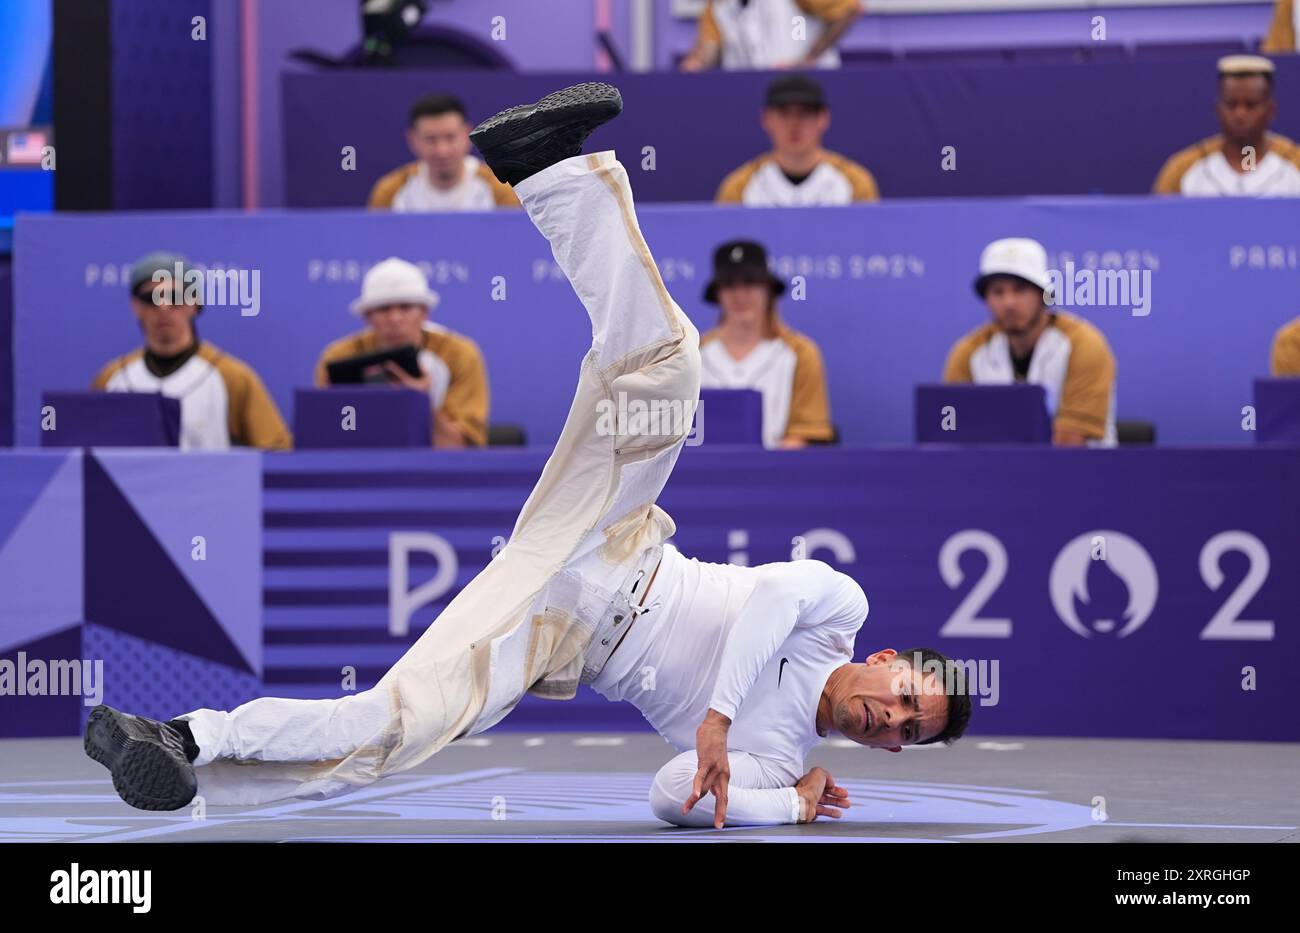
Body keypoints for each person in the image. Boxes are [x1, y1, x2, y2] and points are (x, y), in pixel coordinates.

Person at [84, 83, 971, 828]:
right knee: (669, 364)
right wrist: (718, 716)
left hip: (554, 633)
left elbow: (671, 799)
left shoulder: (779, 756)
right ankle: (549, 167)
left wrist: (791, 805)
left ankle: (180, 740)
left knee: (389, 728)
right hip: (616, 534)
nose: (889, 717)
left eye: (906, 732)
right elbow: (774, 594)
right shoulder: (838, 611)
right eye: (906, 695)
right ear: (891, 654)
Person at [92, 252, 291, 451]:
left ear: (195, 304)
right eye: (151, 298)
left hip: (211, 482)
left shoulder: (232, 377)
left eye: (175, 297)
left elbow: (277, 451)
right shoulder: (112, 378)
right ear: (135, 306)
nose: (163, 307)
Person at [944, 238, 1118, 447]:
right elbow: (948, 432)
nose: (1008, 303)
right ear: (987, 299)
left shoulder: (1084, 344)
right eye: (998, 292)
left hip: (1083, 475)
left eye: (1020, 290)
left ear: (1043, 295)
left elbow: (1070, 444)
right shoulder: (967, 352)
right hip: (994, 475)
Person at [315, 257, 489, 448]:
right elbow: (327, 441)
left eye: (405, 307)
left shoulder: (460, 355)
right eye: (383, 309)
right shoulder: (339, 356)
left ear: (424, 313)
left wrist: (420, 403)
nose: (395, 318)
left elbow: (458, 447)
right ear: (367, 317)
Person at [698, 239, 834, 447]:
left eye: (750, 282)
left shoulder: (800, 353)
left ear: (768, 290)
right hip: (703, 472)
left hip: (779, 472)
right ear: (718, 293)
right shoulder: (693, 353)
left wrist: (760, 467)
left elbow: (807, 432)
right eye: (729, 284)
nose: (740, 294)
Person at [716, 75, 878, 206]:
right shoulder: (739, 187)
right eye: (784, 114)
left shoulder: (856, 183)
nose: (794, 124)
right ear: (767, 119)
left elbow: (869, 241)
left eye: (805, 113)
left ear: (823, 118)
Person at [1153, 55, 1300, 197]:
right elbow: (1159, 219)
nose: (1240, 114)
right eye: (1231, 105)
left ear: (1270, 110)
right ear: (1218, 109)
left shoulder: (1295, 163)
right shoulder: (1181, 170)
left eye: (1251, 105)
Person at [367, 94, 520, 211]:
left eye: (450, 137)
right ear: (413, 140)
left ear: (467, 135)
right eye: (430, 139)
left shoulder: (500, 191)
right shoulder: (389, 191)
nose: (442, 151)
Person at [681, 0, 864, 71]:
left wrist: (808, 59)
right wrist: (695, 64)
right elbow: (706, 54)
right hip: (754, 102)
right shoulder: (716, 8)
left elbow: (850, 9)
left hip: (808, 91)